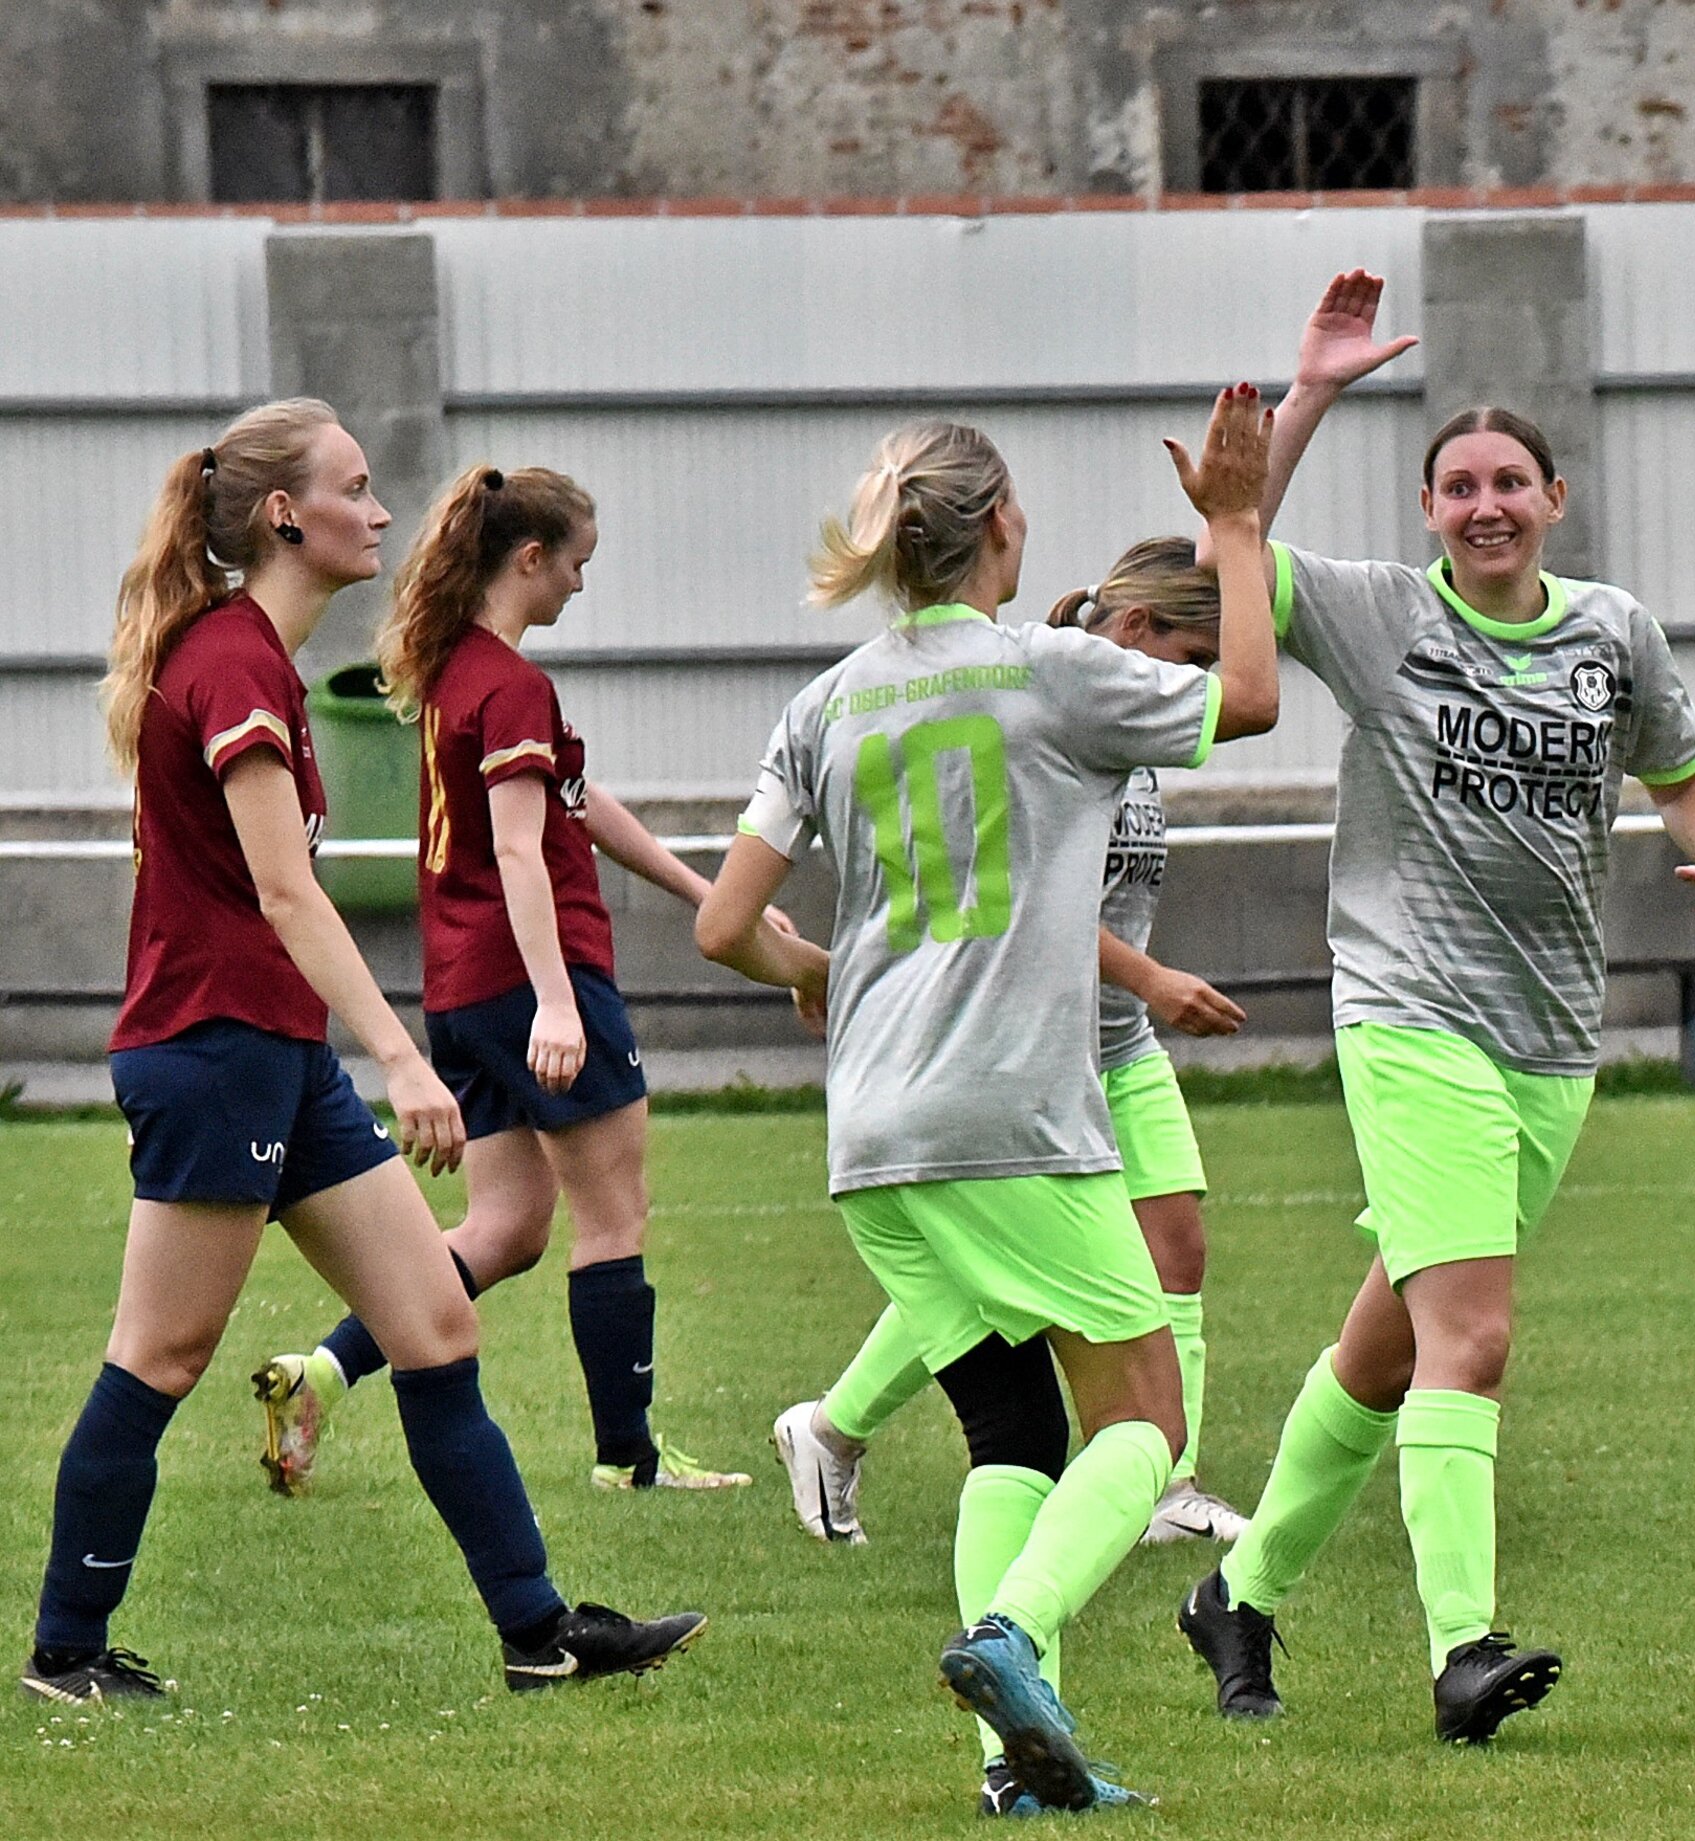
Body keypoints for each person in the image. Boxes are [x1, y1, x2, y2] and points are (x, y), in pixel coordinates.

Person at [22, 402, 704, 1708]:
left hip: (273, 1056)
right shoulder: (232, 660)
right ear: (288, 515)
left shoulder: (254, 660)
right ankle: (66, 1651)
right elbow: (284, 893)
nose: (382, 513)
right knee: (160, 1354)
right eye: (357, 487)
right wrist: (404, 1056)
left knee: (437, 1323)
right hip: (214, 1057)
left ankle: (539, 1633)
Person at [1173, 271, 1695, 1744]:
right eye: (1458, 487)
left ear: (1555, 497)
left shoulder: (1615, 631)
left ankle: (1237, 1595)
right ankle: (1463, 1648)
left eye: (1510, 481)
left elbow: (1680, 763)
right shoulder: (1379, 619)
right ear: (1428, 511)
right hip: (1409, 1012)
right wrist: (1307, 394)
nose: (1486, 504)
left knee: (1390, 1343)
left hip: (1552, 1034)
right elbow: (1226, 547)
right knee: (1477, 1337)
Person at [696, 390, 1279, 1814]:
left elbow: (724, 925)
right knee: (1142, 1422)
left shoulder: (825, 701)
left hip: (873, 1132)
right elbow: (1249, 698)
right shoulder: (1048, 672)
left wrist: (819, 967)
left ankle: (1014, 1773)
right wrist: (1240, 523)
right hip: (1014, 1109)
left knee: (1011, 1434)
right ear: (1003, 527)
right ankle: (1010, 1640)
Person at [256, 463, 803, 1496]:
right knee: (614, 1215)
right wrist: (558, 998)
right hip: (530, 981)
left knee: (505, 1228)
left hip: (461, 989)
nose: (581, 588)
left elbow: (582, 807)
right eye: (577, 565)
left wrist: (708, 890)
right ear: (529, 557)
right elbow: (520, 851)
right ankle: (628, 1460)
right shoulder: (510, 685)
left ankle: (319, 1369)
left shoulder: (463, 670)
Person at [770, 536, 1253, 1551]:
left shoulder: (1104, 704)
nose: (1198, 681)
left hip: (1108, 1049)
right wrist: (1150, 972)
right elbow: (1017, 902)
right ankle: (833, 1427)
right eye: (1189, 655)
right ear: (1133, 633)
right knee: (986, 1291)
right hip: (1011, 1055)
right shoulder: (1048, 698)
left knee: (1176, 1245)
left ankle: (1168, 1485)